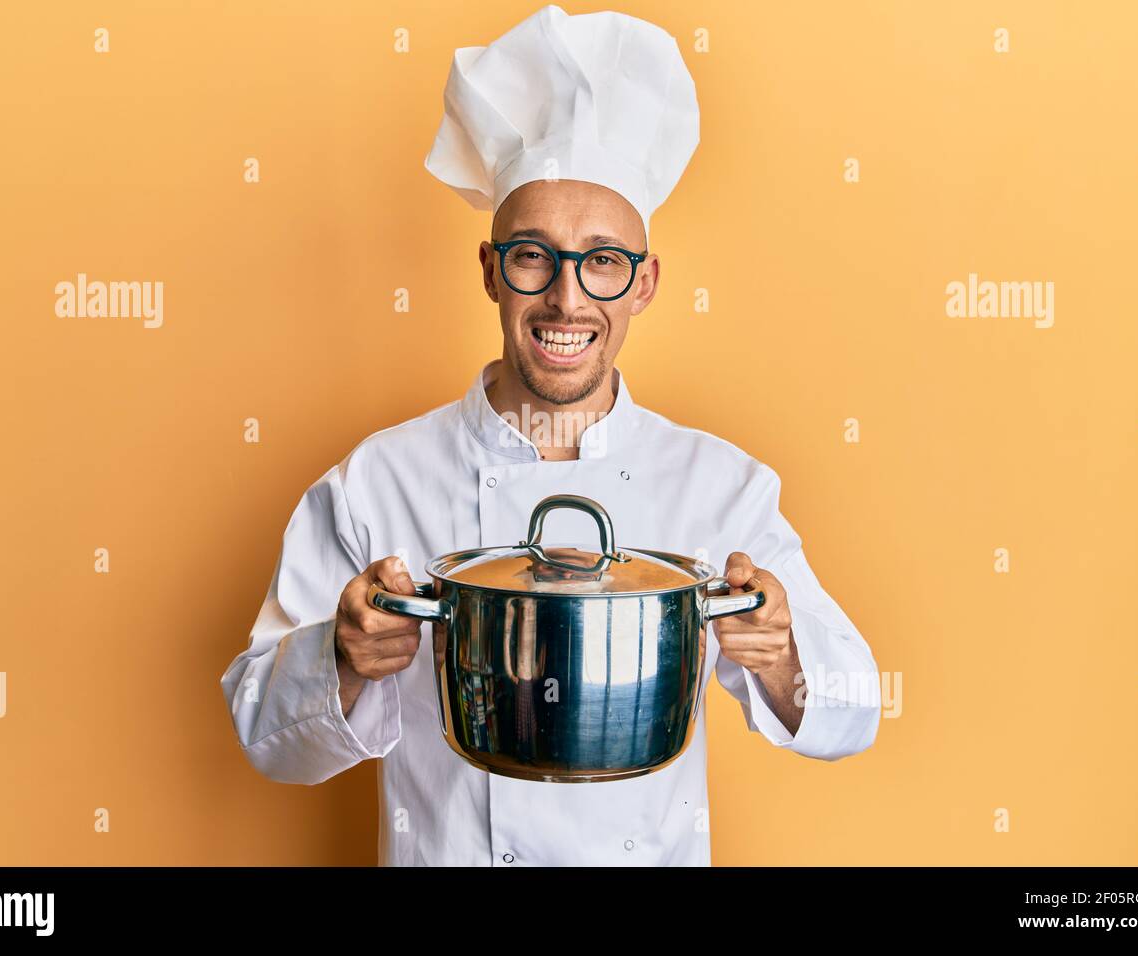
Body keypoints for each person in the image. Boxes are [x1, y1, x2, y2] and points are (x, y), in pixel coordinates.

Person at [220, 3, 880, 866]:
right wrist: (339, 660)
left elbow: (854, 712)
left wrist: (784, 656)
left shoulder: (723, 488)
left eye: (603, 260)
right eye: (534, 255)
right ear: (492, 271)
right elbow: (264, 739)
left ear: (643, 285)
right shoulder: (375, 483)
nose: (568, 300)